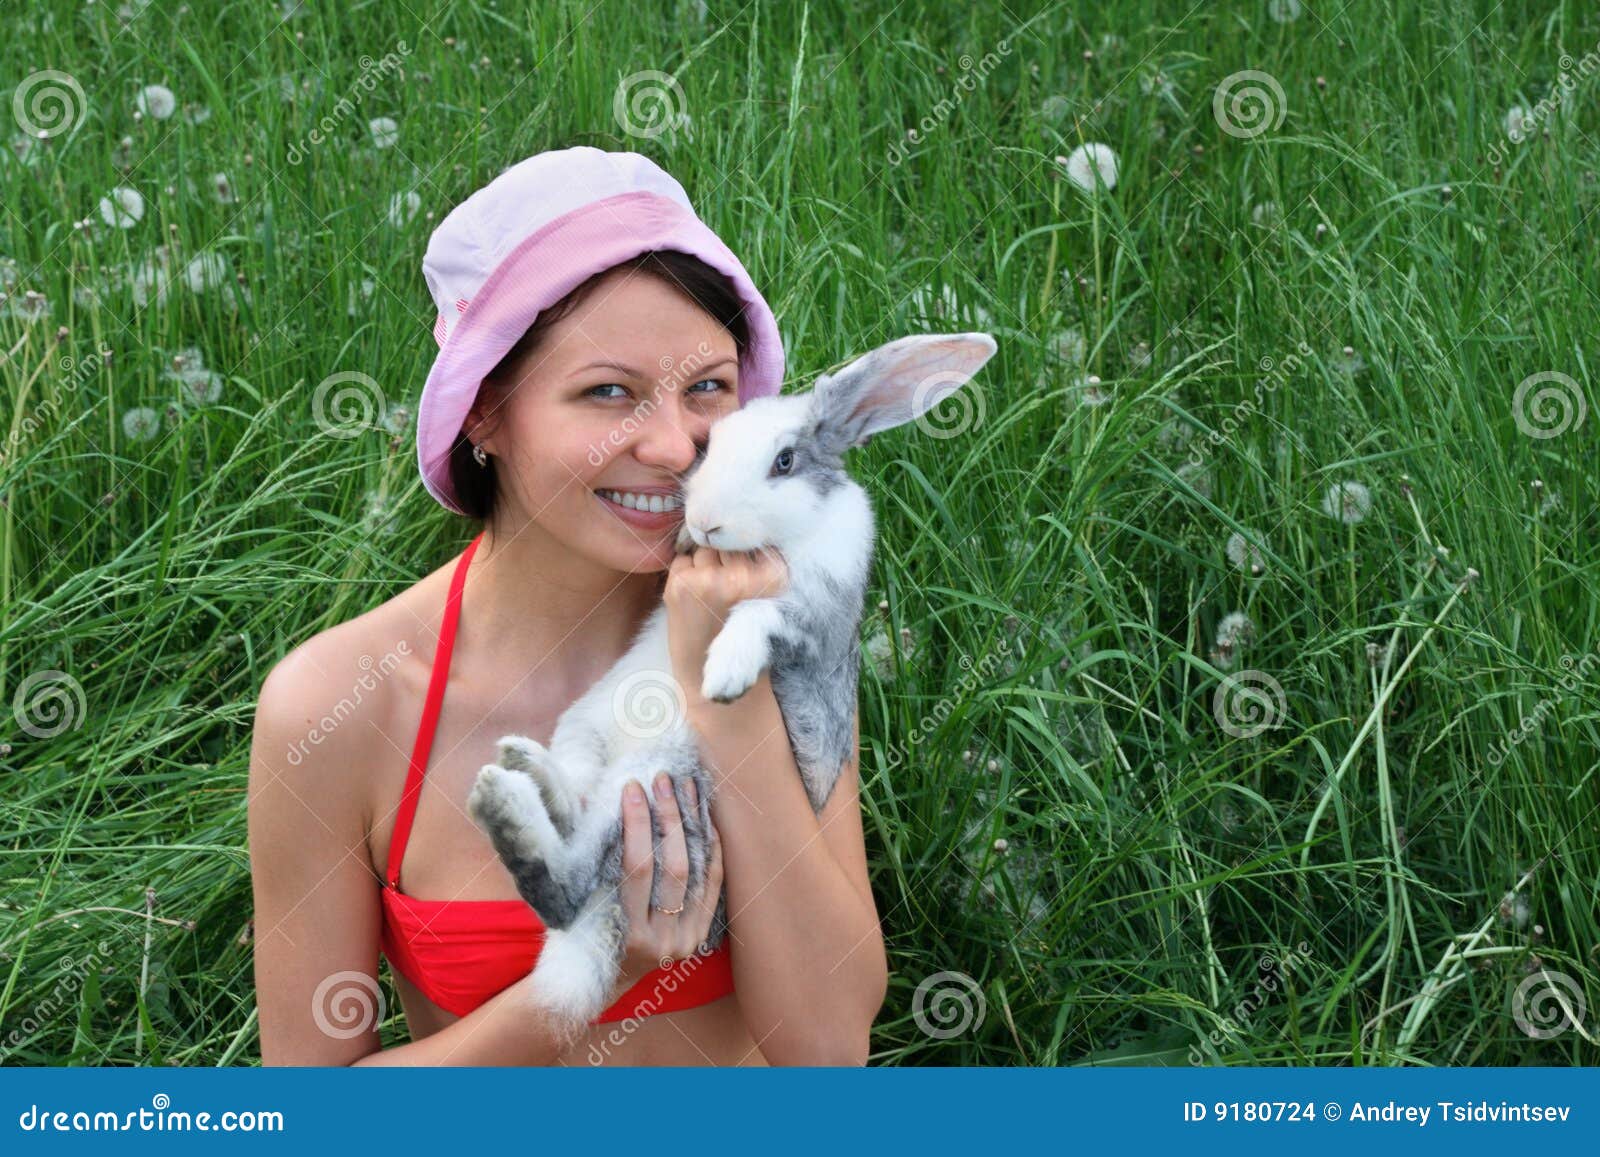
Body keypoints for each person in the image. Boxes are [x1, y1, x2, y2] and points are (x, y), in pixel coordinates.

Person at [248, 147, 887, 1066]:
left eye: (707, 386)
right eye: (608, 393)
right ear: (484, 414)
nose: (674, 445)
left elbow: (829, 1049)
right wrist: (600, 972)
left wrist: (722, 705)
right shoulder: (337, 706)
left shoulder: (771, 620)